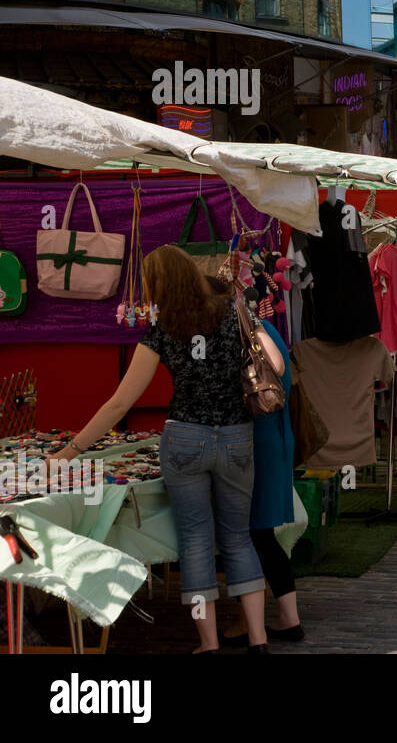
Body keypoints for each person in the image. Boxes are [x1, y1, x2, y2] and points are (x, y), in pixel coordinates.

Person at [50, 244, 282, 653]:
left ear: (158, 285)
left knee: (194, 542)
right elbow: (276, 367)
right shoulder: (234, 311)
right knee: (238, 539)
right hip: (236, 437)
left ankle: (207, 644)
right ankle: (259, 640)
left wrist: (70, 451)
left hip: (185, 440)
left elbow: (120, 403)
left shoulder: (161, 329)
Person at [208, 279, 303, 648]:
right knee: (261, 533)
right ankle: (287, 617)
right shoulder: (265, 329)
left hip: (254, 440)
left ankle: (248, 622)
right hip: (274, 437)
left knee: (248, 535)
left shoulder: (240, 333)